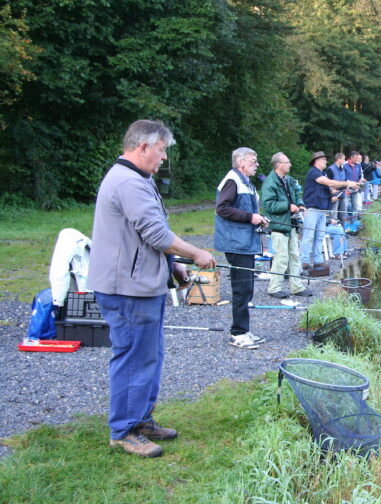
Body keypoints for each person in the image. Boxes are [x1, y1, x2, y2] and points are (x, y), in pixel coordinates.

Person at [88, 120, 216, 458]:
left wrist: (173, 264)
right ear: (143, 146)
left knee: (149, 356)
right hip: (126, 289)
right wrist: (196, 253)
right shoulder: (128, 181)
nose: (163, 159)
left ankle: (141, 419)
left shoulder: (138, 179)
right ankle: (123, 431)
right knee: (133, 358)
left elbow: (150, 235)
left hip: (143, 286)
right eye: (161, 151)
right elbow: (156, 234)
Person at [214, 147, 270, 350]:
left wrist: (259, 219)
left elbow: (245, 210)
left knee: (247, 289)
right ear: (241, 162)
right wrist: (251, 217)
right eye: (253, 161)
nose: (256, 165)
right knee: (241, 289)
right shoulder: (232, 180)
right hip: (236, 243)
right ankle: (237, 333)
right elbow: (222, 208)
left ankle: (244, 330)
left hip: (245, 241)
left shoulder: (245, 182)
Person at [261, 152, 313, 298]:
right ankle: (274, 288)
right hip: (279, 225)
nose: (290, 164)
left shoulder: (289, 180)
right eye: (287, 162)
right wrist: (288, 206)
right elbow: (268, 205)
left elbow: (297, 195)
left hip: (292, 224)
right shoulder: (269, 182)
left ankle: (296, 287)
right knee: (281, 257)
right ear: (278, 164)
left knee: (295, 256)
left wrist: (300, 205)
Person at [301, 151, 359, 270]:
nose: (326, 161)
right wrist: (348, 182)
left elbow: (330, 187)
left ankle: (318, 260)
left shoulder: (322, 173)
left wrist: (345, 187)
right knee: (308, 236)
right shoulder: (314, 172)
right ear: (317, 161)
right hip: (312, 209)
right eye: (323, 159)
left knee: (319, 237)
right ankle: (304, 261)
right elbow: (329, 182)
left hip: (322, 210)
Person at [343, 151, 364, 218]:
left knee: (355, 206)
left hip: (356, 190)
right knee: (344, 206)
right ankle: (344, 222)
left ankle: (354, 221)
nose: (357, 160)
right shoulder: (344, 165)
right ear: (351, 157)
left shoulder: (358, 165)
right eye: (356, 158)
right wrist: (348, 185)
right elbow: (342, 177)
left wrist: (359, 182)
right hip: (347, 190)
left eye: (358, 158)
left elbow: (360, 176)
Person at [326, 153, 347, 221]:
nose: (344, 160)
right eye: (343, 159)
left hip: (343, 193)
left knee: (343, 214)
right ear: (338, 159)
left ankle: (343, 228)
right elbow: (327, 182)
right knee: (333, 215)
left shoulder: (343, 169)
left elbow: (345, 180)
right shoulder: (330, 169)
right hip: (334, 194)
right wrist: (332, 191)